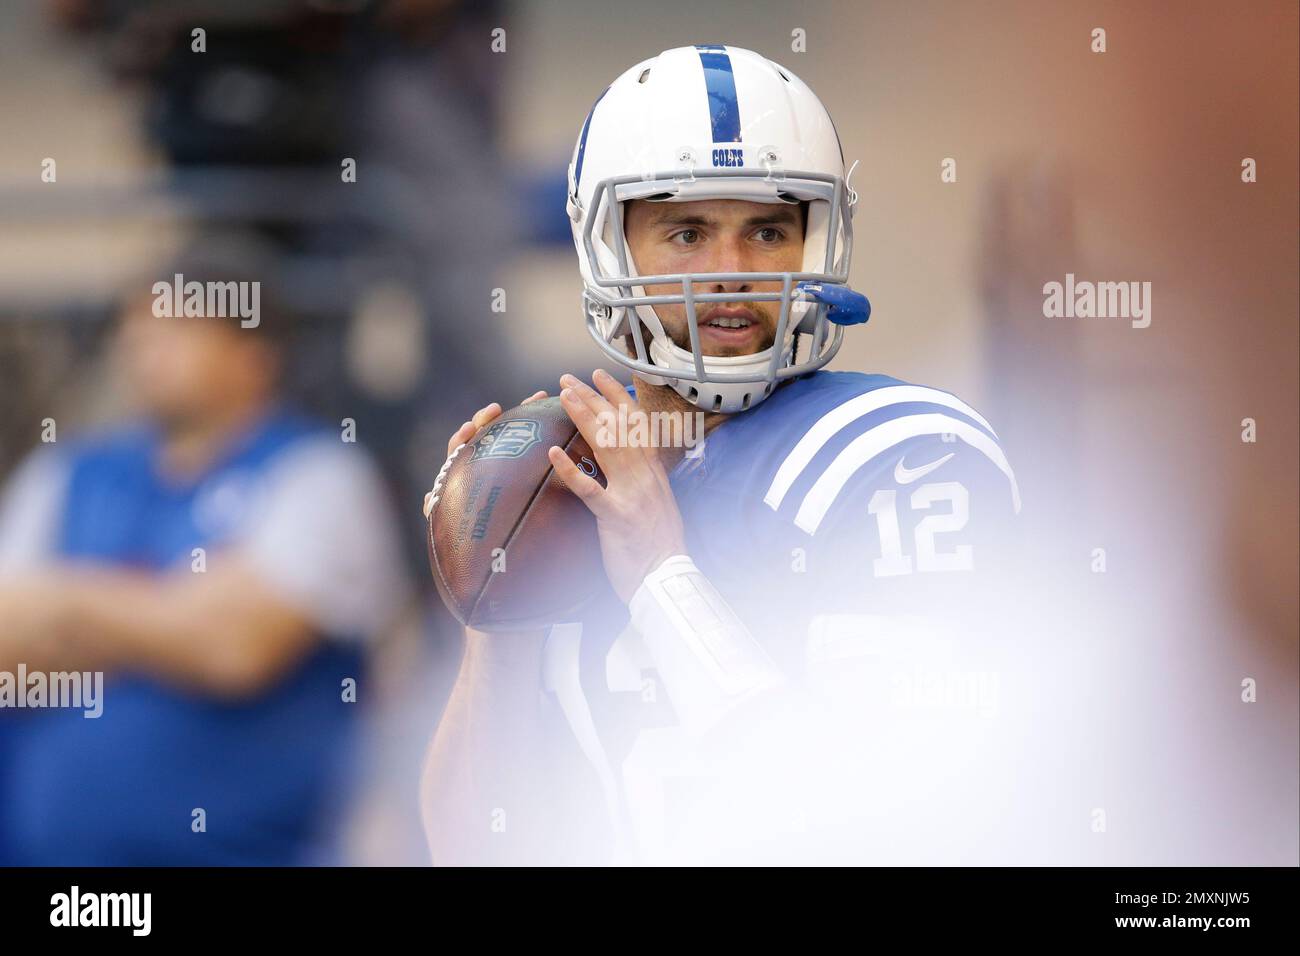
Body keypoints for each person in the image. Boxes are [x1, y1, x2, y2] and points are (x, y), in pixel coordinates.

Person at [421, 45, 1022, 865]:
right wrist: (496, 608)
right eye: (686, 233)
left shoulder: (900, 452)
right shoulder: (567, 484)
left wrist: (661, 577)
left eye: (768, 230)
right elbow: (477, 849)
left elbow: (899, 825)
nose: (729, 274)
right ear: (608, 247)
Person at [0, 244, 411, 865]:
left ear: (254, 356)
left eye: (174, 332)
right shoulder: (66, 471)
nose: (144, 352)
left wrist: (64, 607)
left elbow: (232, 647)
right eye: (135, 333)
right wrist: (167, 616)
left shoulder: (318, 473)